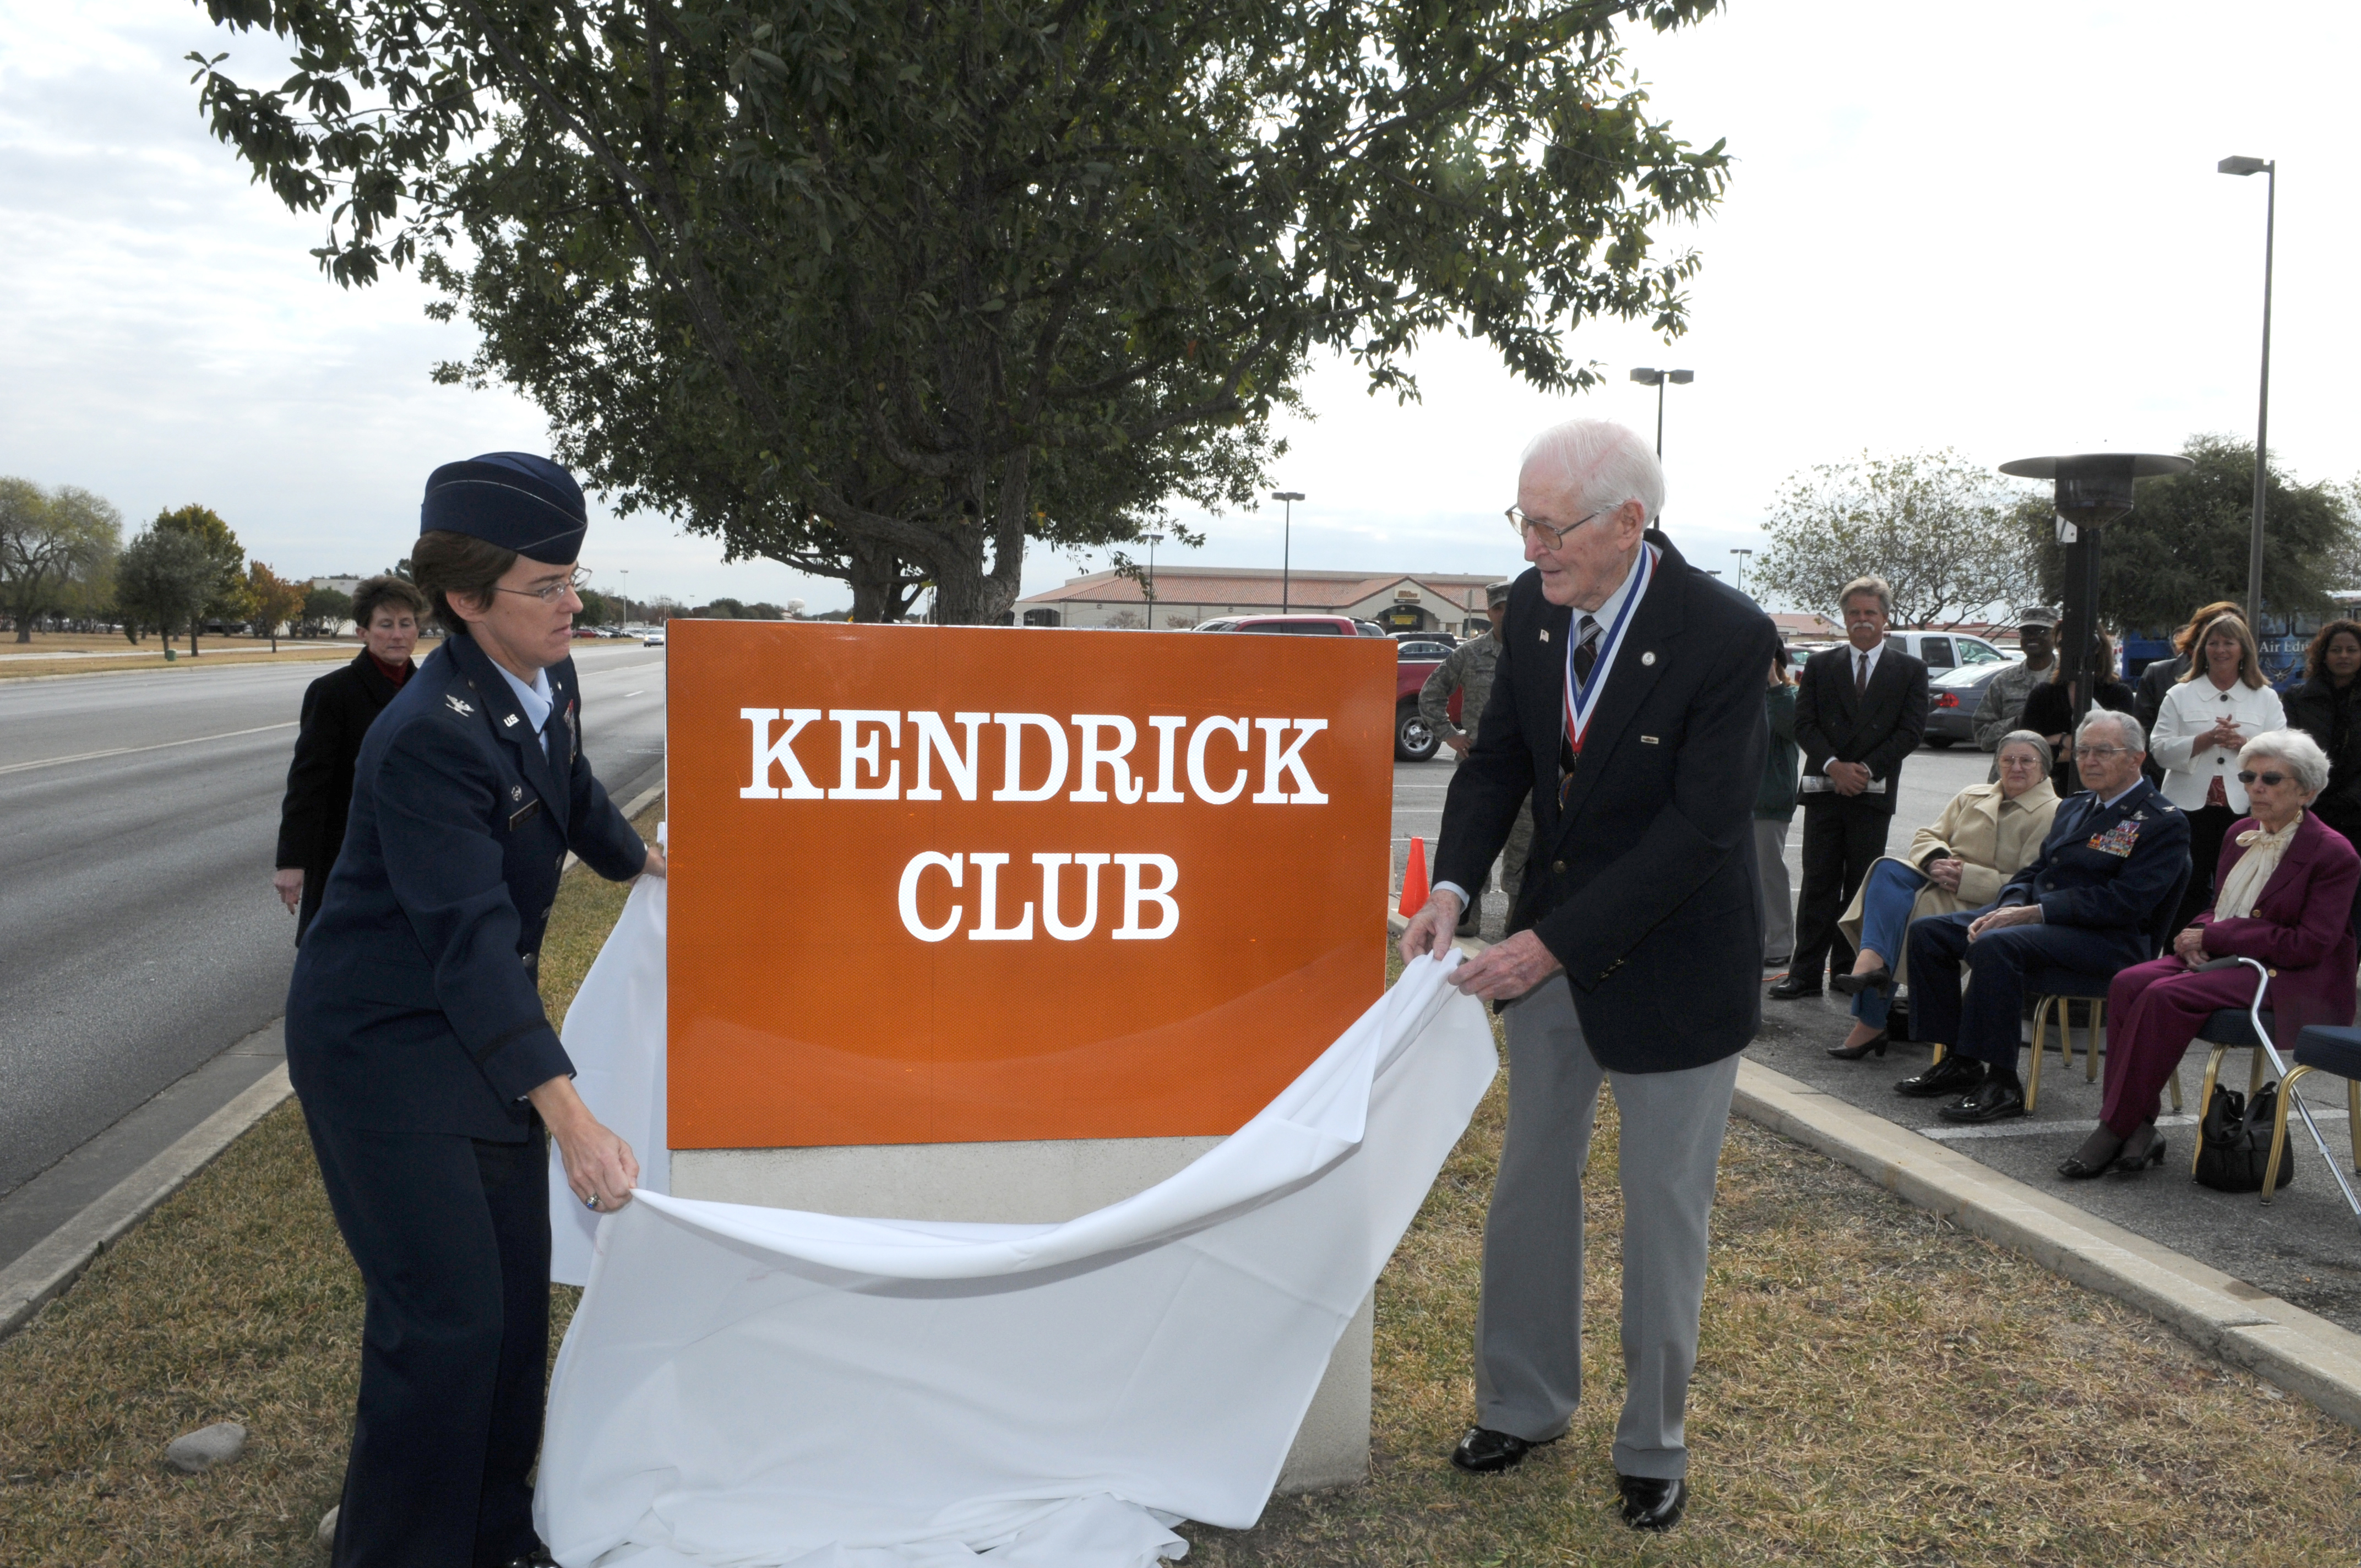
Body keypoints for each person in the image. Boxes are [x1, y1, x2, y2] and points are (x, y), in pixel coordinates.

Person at [286, 453, 663, 1568]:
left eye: (573, 577)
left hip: (471, 1039)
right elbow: (467, 944)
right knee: (442, 1321)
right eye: (546, 587)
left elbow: (569, 783)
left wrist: (641, 858)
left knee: (503, 1313)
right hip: (382, 1046)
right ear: (464, 599)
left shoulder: (548, 673)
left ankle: (496, 1532)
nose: (573, 604)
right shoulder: (426, 735)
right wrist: (573, 1114)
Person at [1400, 417, 1777, 1533]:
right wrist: (1455, 890)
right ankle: (1521, 1404)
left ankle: (1651, 1442)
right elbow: (1502, 761)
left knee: (1662, 1213)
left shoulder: (1723, 632)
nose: (1530, 544)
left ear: (1628, 520)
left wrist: (1547, 943)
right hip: (1550, 952)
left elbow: (1700, 829)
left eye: (1548, 523)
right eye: (1519, 519)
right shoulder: (1531, 610)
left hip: (1671, 964)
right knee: (1526, 1186)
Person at [2060, 729, 2359, 1178]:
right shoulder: (2239, 833)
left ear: (2307, 790)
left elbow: (2309, 944)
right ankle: (2140, 1126)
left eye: (2272, 779)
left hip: (2290, 977)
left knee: (2166, 996)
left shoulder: (2334, 854)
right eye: (2249, 776)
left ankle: (2114, 1127)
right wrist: (2196, 931)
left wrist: (2217, 938)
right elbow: (2218, 909)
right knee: (2129, 981)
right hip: (2230, 957)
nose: (2255, 787)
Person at [1895, 709, 2188, 1123]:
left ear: (2137, 758)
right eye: (2083, 750)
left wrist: (2037, 912)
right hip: (2047, 923)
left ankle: (2002, 1083)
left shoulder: (2161, 821)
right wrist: (2012, 904)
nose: (2089, 760)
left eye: (2104, 751)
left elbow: (2126, 902)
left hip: (2110, 942)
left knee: (1997, 946)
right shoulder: (2077, 806)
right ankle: (1961, 1061)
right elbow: (2036, 871)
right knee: (1932, 933)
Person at [1824, 732, 2060, 1060]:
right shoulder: (1972, 795)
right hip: (1935, 881)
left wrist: (1968, 878)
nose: (2016, 767)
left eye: (2026, 761)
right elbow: (1928, 835)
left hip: (1986, 901)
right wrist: (1936, 860)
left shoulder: (2053, 813)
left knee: (1901, 917)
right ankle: (1871, 962)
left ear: (2044, 769)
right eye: (2007, 760)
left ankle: (1871, 1018)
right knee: (1886, 870)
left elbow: (2030, 883)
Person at [1768, 578, 1929, 999]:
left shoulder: (1910, 671)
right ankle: (1804, 974)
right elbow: (1805, 725)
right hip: (1825, 789)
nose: (1862, 621)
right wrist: (1834, 767)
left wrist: (1864, 769)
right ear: (1844, 618)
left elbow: (1910, 732)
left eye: (1870, 613)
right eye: (1854, 613)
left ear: (1885, 618)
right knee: (1819, 881)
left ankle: (1845, 969)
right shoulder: (1821, 667)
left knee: (1861, 885)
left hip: (1873, 795)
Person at [272, 575, 431, 942]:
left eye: (406, 624)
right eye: (385, 625)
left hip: (418, 859)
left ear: (417, 630)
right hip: (348, 856)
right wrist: (292, 861)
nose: (397, 635)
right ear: (363, 632)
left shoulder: (432, 693)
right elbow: (308, 783)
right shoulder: (333, 693)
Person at [2152, 612, 2284, 932]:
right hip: (2188, 810)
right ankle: (2175, 959)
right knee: (2186, 891)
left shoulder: (2265, 698)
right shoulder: (2179, 694)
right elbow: (2159, 750)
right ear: (2202, 649)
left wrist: (2243, 745)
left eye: (2229, 642)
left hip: (2244, 809)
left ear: (2244, 650)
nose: (2221, 649)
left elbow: (2282, 754)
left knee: (2240, 892)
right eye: (2213, 643)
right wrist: (2205, 740)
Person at [1421, 580, 1528, 937]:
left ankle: (1517, 916)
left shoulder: (1539, 655)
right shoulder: (1469, 655)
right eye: (1499, 608)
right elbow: (1431, 694)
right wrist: (1449, 735)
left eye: (1512, 608)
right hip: (1480, 766)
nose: (1506, 614)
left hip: (1527, 768)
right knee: (1473, 838)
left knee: (1524, 845)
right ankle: (1468, 916)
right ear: (1489, 612)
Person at [2136, 599, 2244, 785]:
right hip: (2170, 788)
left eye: (2230, 637)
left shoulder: (2259, 691)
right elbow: (2143, 737)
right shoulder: (2160, 676)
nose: (2221, 648)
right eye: (2213, 632)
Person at [2019, 632, 2135, 796]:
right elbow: (2026, 747)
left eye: (2078, 643)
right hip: (2049, 791)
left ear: (2097, 646)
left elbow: (2124, 750)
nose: (2069, 649)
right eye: (2062, 644)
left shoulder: (2118, 693)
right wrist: (2062, 739)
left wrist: (2056, 747)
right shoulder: (2043, 694)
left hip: (2105, 790)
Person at [2281, 619, 2361, 848]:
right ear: (2323, 655)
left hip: (2357, 811)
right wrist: (2310, 796)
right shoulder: (2297, 699)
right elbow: (2290, 752)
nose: (2344, 656)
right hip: (2309, 808)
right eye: (2336, 650)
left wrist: (2350, 799)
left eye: (2352, 650)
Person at [1756, 651, 1800, 969]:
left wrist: (1773, 684)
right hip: (1734, 798)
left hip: (1769, 798)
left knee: (1768, 871)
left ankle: (1780, 942)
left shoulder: (1790, 695)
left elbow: (1790, 728)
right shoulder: (1736, 692)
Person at [1971, 607, 2058, 755]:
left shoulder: (2069, 680)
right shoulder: (2003, 682)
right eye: (2026, 632)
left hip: (2058, 773)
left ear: (2056, 637)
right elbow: (1982, 737)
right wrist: (2018, 722)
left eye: (2041, 632)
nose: (2032, 637)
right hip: (2011, 772)